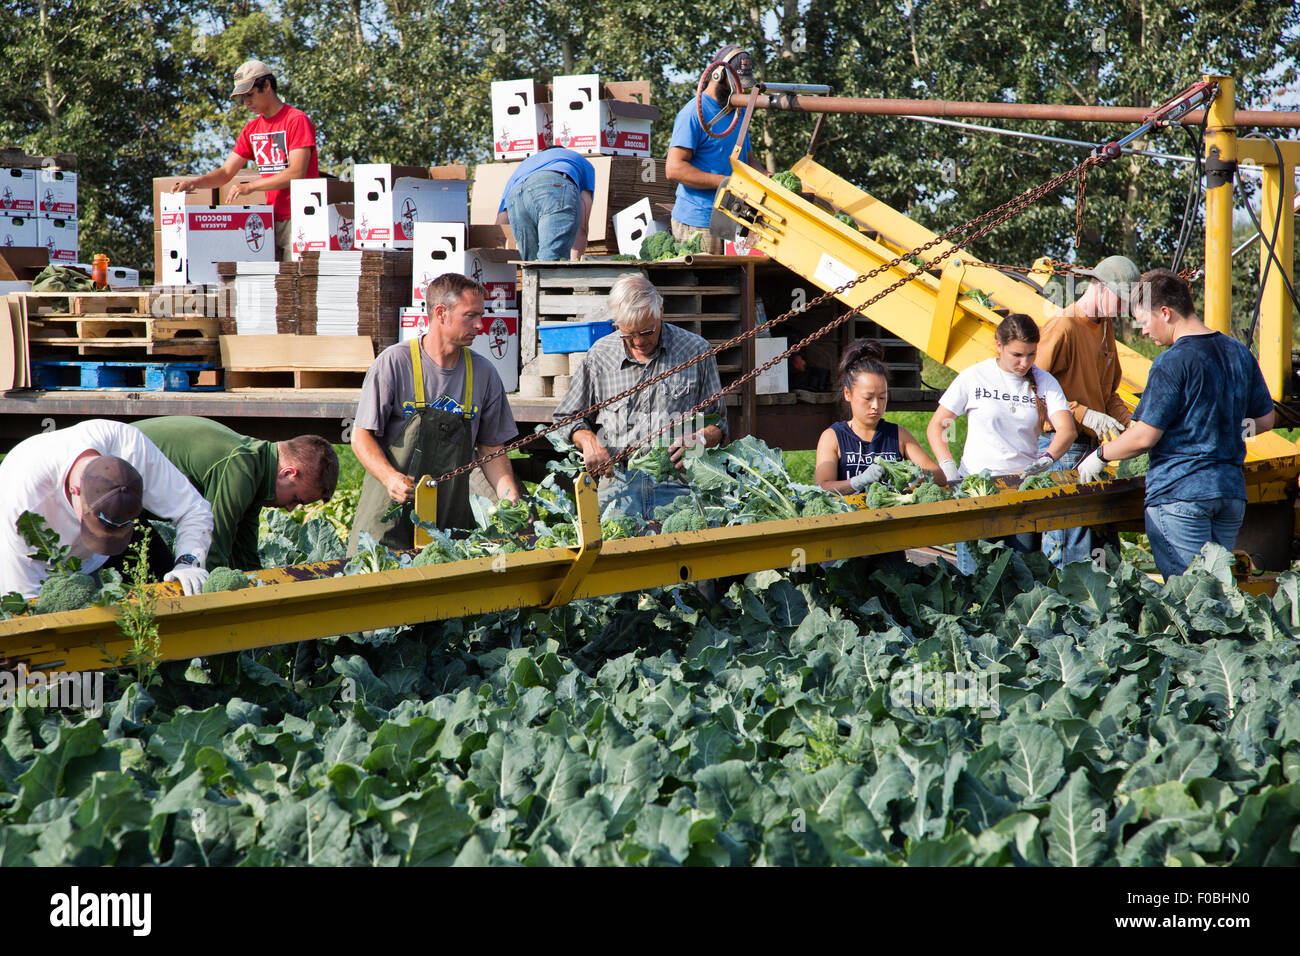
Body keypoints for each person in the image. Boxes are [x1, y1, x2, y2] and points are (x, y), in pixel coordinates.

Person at [1076, 269, 1274, 578]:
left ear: (1165, 312)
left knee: (1190, 599)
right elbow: (1265, 420)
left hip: (1181, 494)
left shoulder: (1172, 362)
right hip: (1229, 494)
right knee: (1220, 593)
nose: (1143, 331)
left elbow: (1144, 437)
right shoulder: (1238, 352)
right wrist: (1220, 428)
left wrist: (1101, 456)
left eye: (1144, 321)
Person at [349, 273, 522, 553]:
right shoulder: (395, 362)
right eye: (471, 316)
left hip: (449, 523)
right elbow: (361, 437)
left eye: (482, 315)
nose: (480, 325)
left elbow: (492, 448)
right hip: (389, 519)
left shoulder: (484, 373)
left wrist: (508, 496)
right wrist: (390, 477)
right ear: (441, 313)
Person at [554, 273, 728, 520]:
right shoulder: (600, 357)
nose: (638, 342)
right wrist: (589, 441)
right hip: (617, 485)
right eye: (628, 334)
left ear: (660, 311)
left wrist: (700, 437)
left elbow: (719, 424)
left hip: (679, 486)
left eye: (647, 332)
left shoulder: (695, 351)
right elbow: (567, 417)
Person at [926, 313, 1077, 573]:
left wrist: (1047, 459)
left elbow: (1067, 430)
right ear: (999, 345)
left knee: (1023, 581)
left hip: (1022, 493)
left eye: (1031, 354)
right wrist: (948, 466)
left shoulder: (1044, 381)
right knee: (976, 581)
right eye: (1017, 355)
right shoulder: (975, 377)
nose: (1024, 362)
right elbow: (938, 425)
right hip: (976, 491)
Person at [0, 420, 215, 598]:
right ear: (76, 489)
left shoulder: (128, 445)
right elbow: (24, 601)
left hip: (122, 539)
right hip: (44, 567)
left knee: (172, 597)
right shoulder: (22, 498)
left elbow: (193, 510)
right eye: (95, 526)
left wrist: (187, 562)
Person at [1035, 254, 1141, 567]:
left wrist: (1130, 424)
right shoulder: (1063, 327)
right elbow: (1034, 391)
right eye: (1121, 300)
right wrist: (1082, 414)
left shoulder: (1105, 327)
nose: (1124, 310)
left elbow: (1107, 392)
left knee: (1103, 548)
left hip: (1095, 450)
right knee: (1069, 547)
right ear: (1100, 288)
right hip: (1064, 448)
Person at [132, 417, 338, 572]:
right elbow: (210, 548)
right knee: (156, 579)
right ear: (288, 474)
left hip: (130, 501)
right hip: (108, 488)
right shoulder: (240, 466)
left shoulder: (257, 471)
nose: (290, 508)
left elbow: (244, 556)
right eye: (296, 499)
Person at [171, 59, 319, 260]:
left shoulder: (296, 120)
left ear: (267, 86)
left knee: (297, 284)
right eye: (242, 97)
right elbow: (225, 173)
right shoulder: (252, 129)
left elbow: (297, 172)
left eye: (250, 94)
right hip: (268, 221)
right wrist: (194, 182)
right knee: (271, 286)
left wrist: (251, 187)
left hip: (301, 218)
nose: (246, 102)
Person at [815, 339, 945, 494]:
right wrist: (857, 482)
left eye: (882, 397)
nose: (876, 405)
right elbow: (822, 487)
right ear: (847, 394)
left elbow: (939, 477)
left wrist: (905, 473)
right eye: (868, 398)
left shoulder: (898, 435)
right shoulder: (833, 437)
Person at [666, 44, 754, 254]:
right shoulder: (693, 114)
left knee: (732, 285)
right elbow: (674, 169)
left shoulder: (737, 114)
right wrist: (726, 182)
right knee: (705, 285)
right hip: (699, 222)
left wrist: (770, 180)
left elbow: (748, 160)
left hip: (733, 217)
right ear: (718, 75)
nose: (741, 91)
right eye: (737, 85)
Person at [494, 147, 595, 262]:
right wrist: (574, 265)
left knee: (531, 265)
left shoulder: (525, 165)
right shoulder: (580, 161)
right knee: (551, 263)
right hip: (553, 187)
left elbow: (500, 225)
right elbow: (582, 226)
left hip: (515, 196)